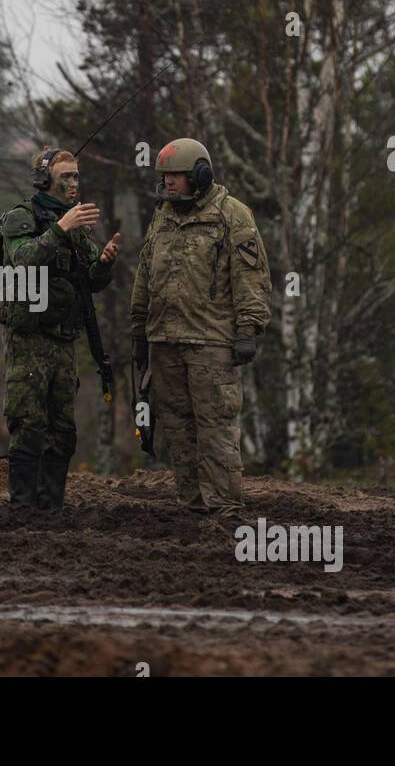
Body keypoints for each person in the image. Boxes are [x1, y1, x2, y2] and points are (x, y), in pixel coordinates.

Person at [129, 138, 271, 514]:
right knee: (176, 427)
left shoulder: (231, 215)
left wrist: (248, 330)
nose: (169, 182)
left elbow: (251, 277)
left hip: (211, 341)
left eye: (175, 175)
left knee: (215, 426)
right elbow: (145, 272)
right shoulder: (162, 215)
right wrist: (138, 329)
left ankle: (223, 507)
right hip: (164, 341)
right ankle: (191, 503)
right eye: (165, 175)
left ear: (199, 175)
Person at [0, 147, 121, 510]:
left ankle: (51, 507)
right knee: (28, 420)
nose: (74, 183)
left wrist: (105, 262)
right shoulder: (22, 218)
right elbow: (23, 259)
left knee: (62, 427)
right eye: (66, 176)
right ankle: (22, 507)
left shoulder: (75, 223)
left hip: (64, 339)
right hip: (29, 337)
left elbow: (90, 280)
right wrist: (60, 229)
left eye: (77, 176)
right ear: (43, 180)